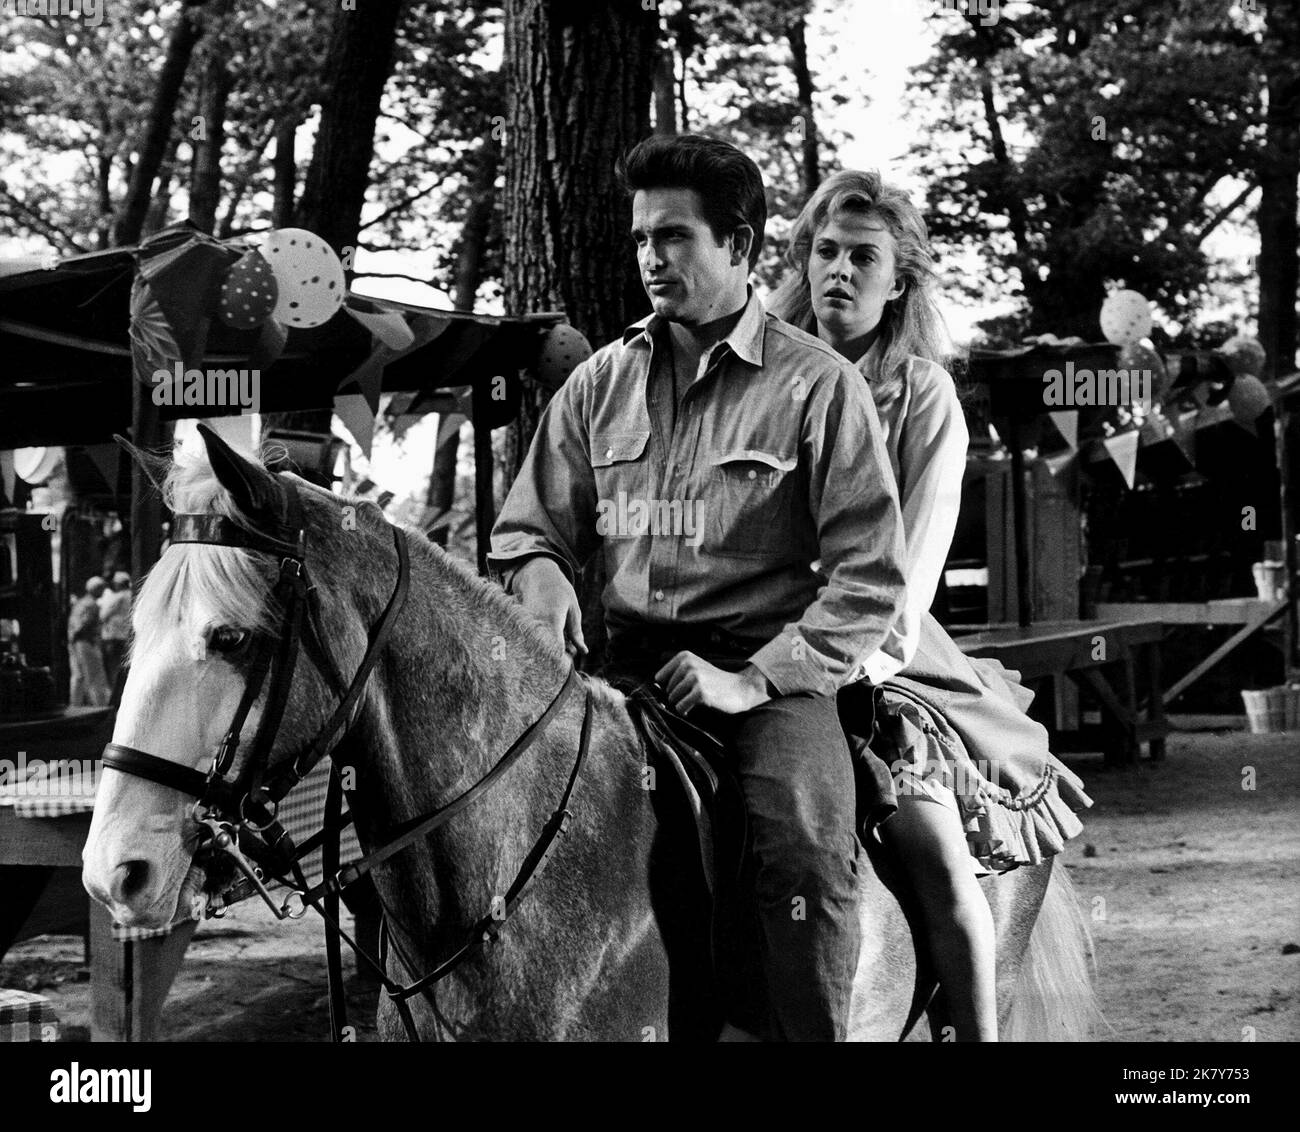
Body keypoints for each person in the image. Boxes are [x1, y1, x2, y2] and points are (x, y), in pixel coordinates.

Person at [489, 135, 909, 1041]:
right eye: (642, 237)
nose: (651, 257)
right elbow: (530, 528)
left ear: (743, 247)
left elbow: (870, 577)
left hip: (768, 677)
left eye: (675, 237)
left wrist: (753, 679)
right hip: (619, 672)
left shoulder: (819, 387)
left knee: (800, 847)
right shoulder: (599, 382)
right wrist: (542, 577)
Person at [771, 169, 1091, 1041]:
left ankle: (974, 1029)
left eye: (862, 256)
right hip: (754, 633)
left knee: (927, 838)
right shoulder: (763, 378)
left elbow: (913, 564)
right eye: (824, 251)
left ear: (899, 278)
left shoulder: (921, 394)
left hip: (878, 644)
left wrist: (847, 664)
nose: (838, 270)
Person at [68, 577, 111, 707]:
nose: (104, 591)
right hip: (86, 642)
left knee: (78, 676)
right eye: (102, 588)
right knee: (95, 676)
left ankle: (75, 705)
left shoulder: (80, 603)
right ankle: (100, 706)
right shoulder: (92, 605)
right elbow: (84, 624)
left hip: (75, 642)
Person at [98, 570, 132, 693]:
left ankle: (114, 693)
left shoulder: (118, 597)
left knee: (112, 668)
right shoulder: (131, 595)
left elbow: (103, 615)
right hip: (125, 636)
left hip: (112, 637)